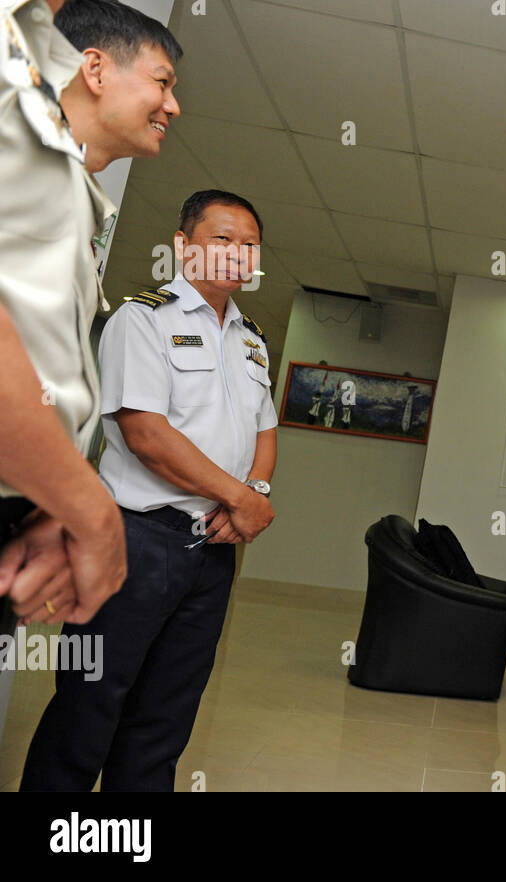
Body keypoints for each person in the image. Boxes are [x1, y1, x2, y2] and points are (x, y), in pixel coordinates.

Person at [21, 190, 276, 791]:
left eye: (249, 245)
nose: (237, 254)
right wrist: (240, 499)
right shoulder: (143, 319)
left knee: (166, 717)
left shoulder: (251, 339)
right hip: (134, 541)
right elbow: (146, 434)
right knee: (89, 708)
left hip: (211, 552)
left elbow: (265, 428)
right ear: (184, 248)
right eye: (222, 239)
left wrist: (255, 488)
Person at [0, 0, 180, 741]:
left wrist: (47, 504)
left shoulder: (72, 190)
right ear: (95, 69)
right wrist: (91, 513)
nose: (173, 105)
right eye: (162, 81)